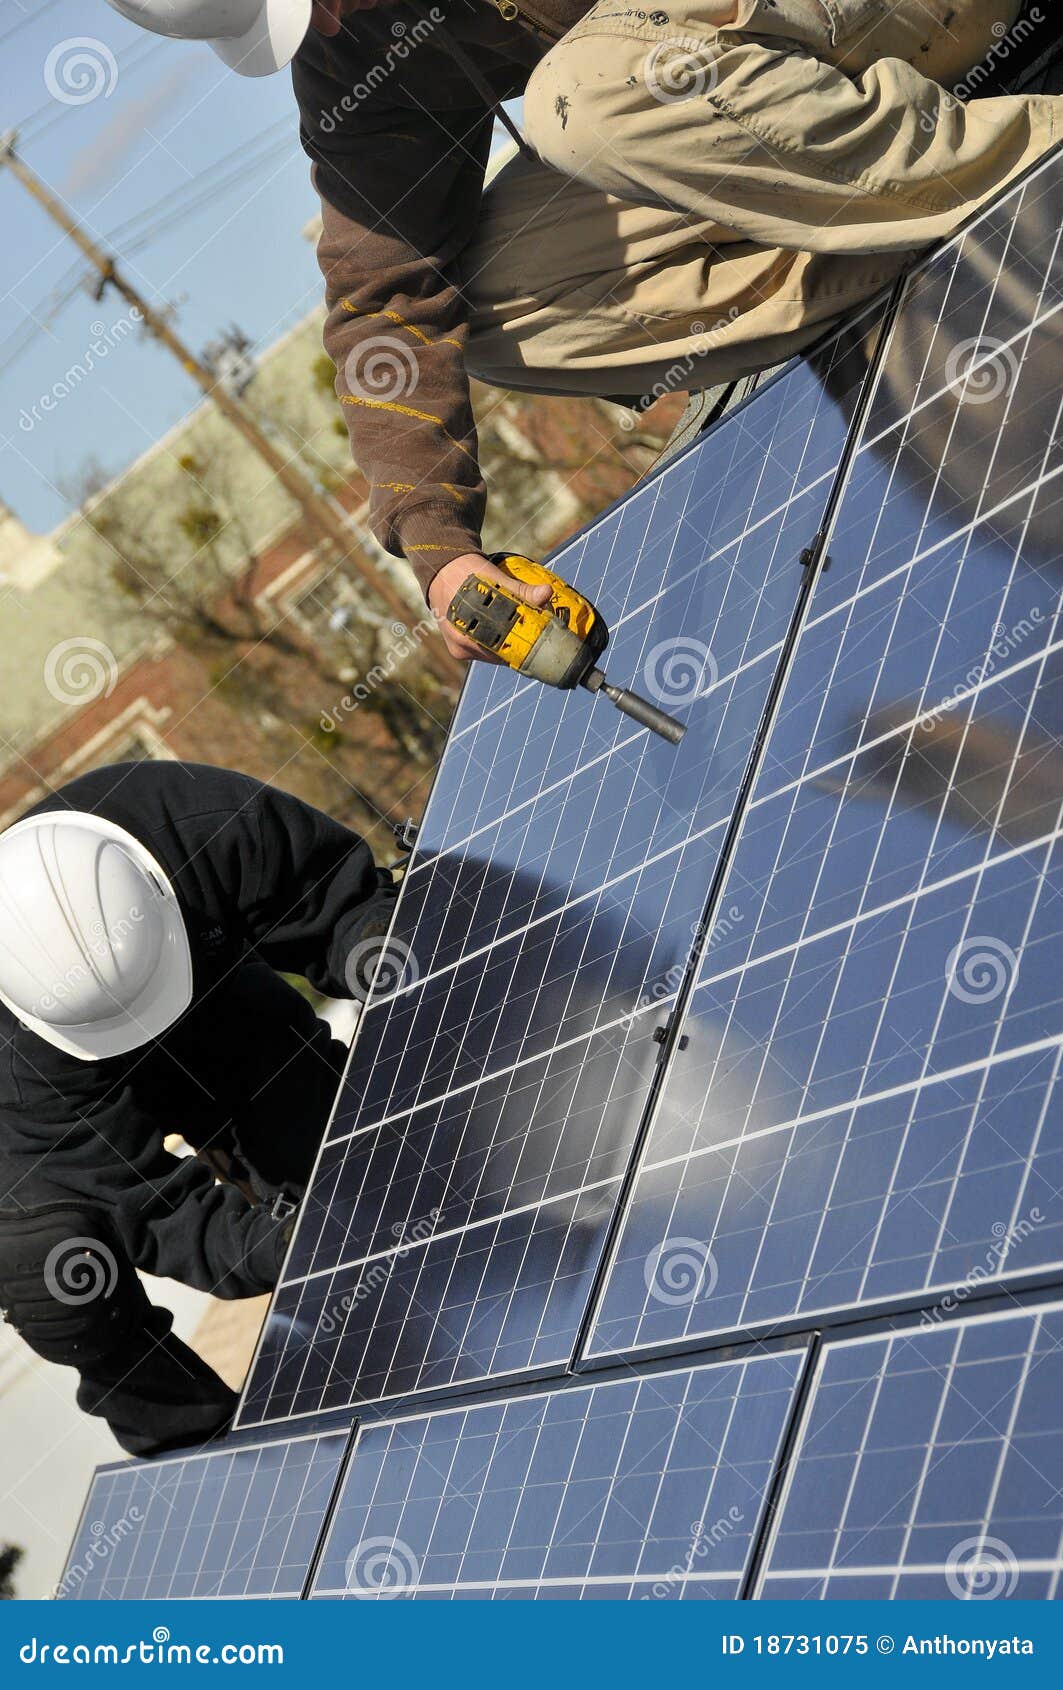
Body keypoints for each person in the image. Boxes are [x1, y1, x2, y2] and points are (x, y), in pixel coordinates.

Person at [102, 0, 1059, 667]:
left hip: (910, 17)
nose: (332, 22)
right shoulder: (356, 50)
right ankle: (876, 252)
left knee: (583, 99)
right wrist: (440, 552)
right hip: (781, 95)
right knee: (494, 305)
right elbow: (381, 296)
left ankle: (1026, 166)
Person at [0, 761, 396, 1456]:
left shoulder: (193, 823)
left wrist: (435, 996)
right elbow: (153, 1212)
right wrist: (278, 1249)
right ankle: (197, 1452)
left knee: (332, 1146)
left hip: (213, 999)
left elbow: (343, 905)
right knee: (48, 1269)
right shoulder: (18, 1071)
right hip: (50, 1105)